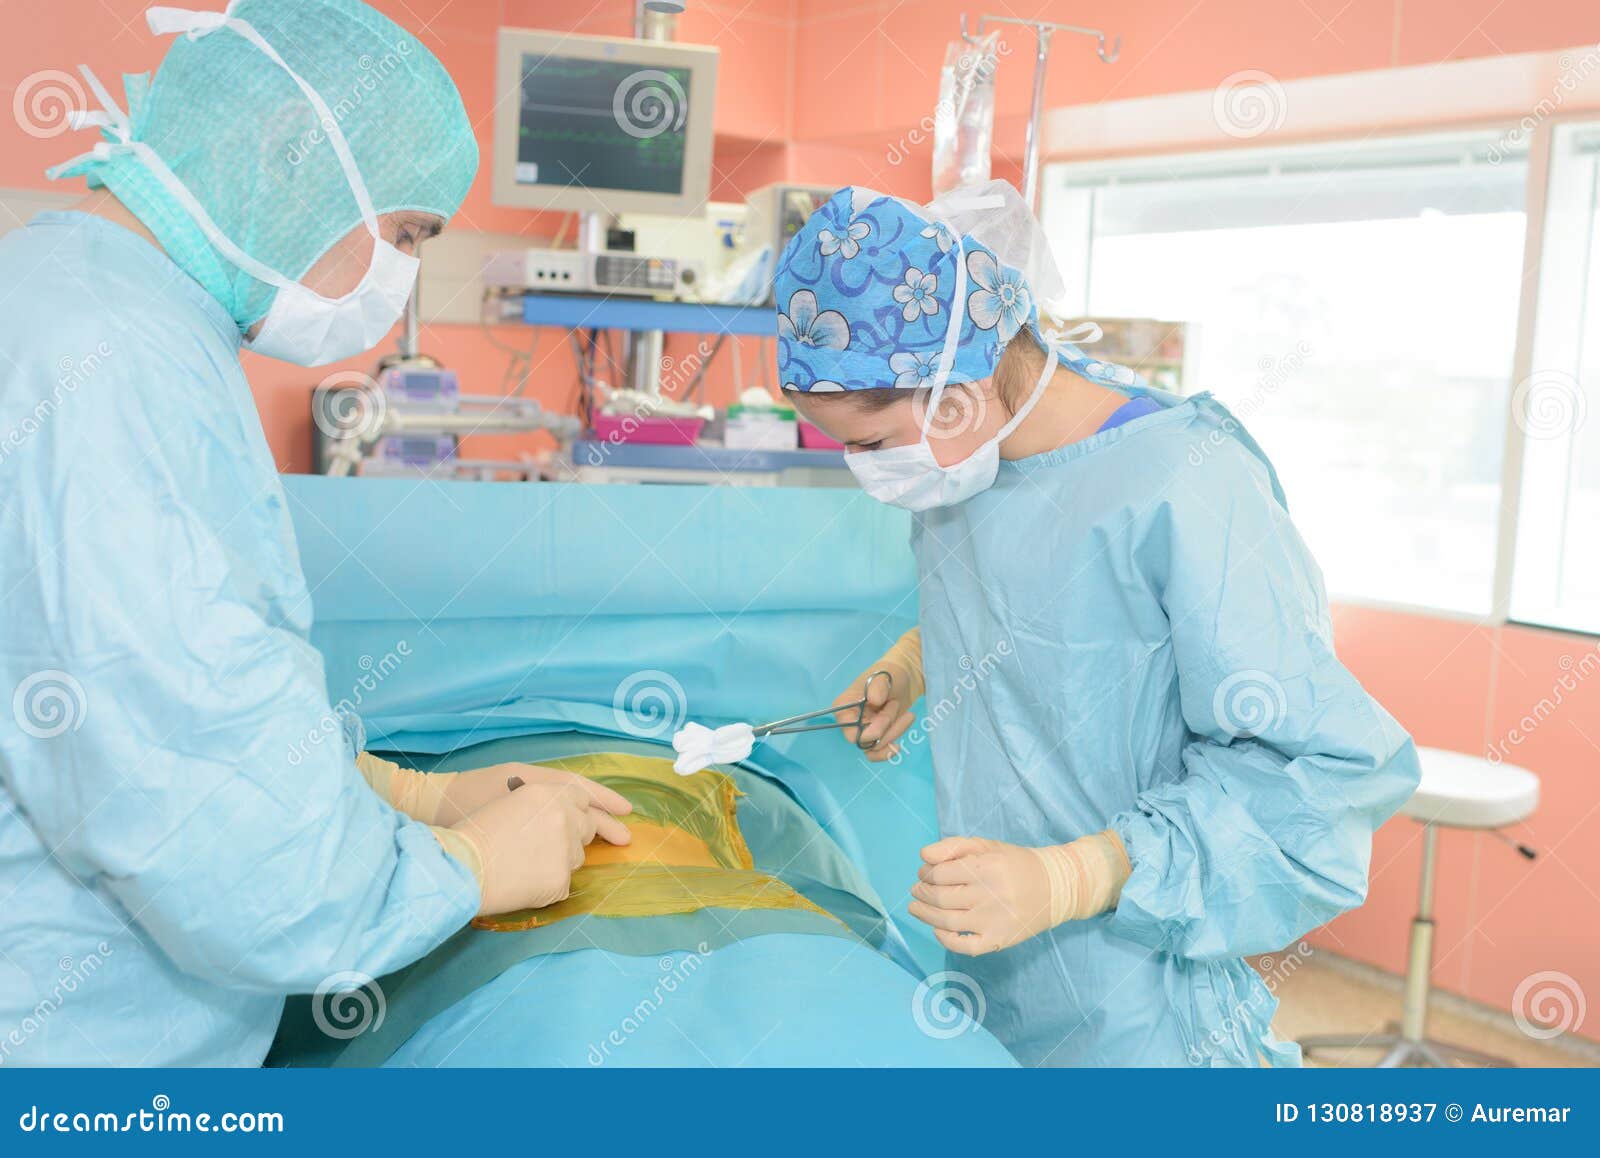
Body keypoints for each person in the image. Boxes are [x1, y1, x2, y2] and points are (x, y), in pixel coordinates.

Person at [0, 0, 628, 1067]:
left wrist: (404, 793)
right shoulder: (109, 367)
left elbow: (165, 696)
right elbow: (220, 840)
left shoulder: (69, 298)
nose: (405, 275)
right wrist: (463, 868)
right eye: (409, 234)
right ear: (292, 156)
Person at [781, 182, 1421, 1067]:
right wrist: (916, 661)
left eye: (869, 442)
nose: (867, 472)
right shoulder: (968, 461)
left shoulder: (1187, 482)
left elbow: (1316, 779)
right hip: (1001, 981)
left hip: (1145, 1001)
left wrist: (1074, 876)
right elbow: (1047, 622)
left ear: (957, 388)